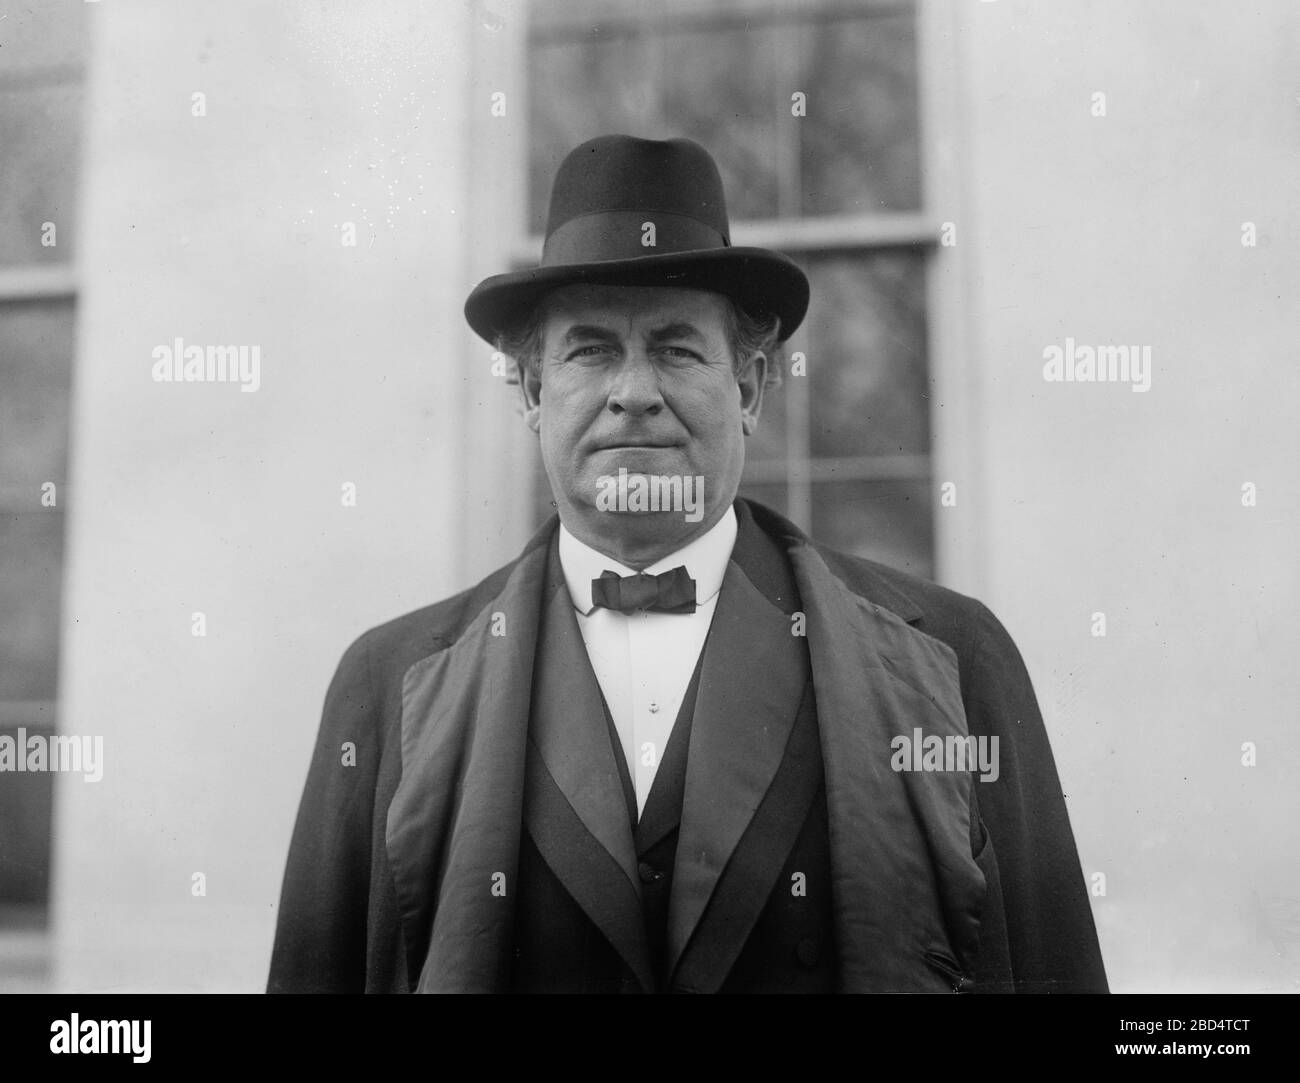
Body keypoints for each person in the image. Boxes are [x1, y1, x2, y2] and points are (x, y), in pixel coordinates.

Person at [268, 134, 1108, 994]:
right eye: (590, 349)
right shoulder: (389, 689)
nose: (634, 390)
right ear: (528, 391)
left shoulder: (953, 664)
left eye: (676, 347)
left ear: (747, 388)